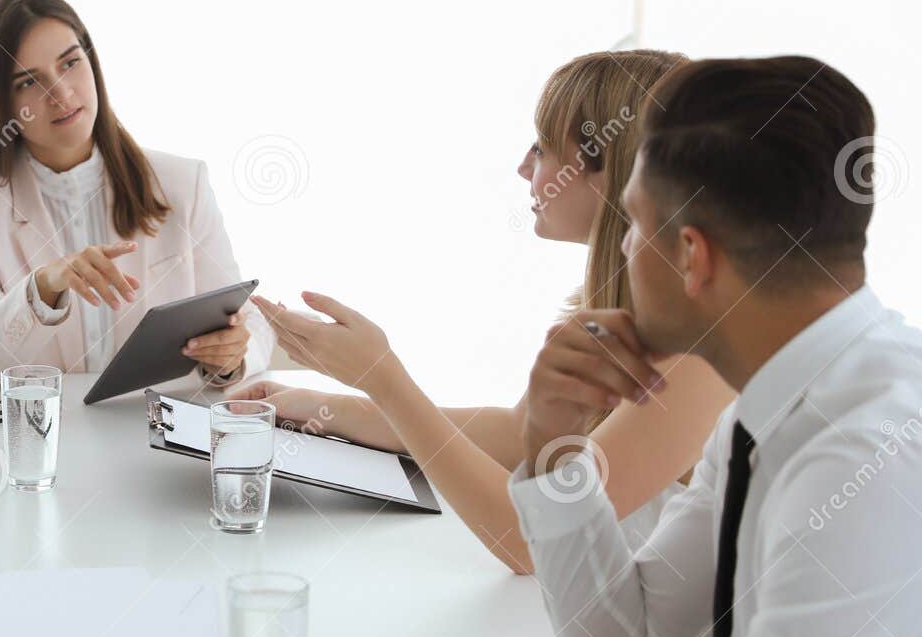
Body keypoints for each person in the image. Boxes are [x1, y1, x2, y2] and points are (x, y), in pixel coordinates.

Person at [518, 56, 922, 637]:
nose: (623, 249)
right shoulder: (769, 409)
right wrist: (552, 453)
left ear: (690, 255)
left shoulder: (871, 460)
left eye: (633, 223)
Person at [239, 51, 734, 573]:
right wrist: (327, 409)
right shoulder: (625, 316)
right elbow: (517, 435)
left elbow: (533, 543)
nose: (524, 167)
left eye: (542, 148)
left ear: (612, 173)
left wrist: (381, 378)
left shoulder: (701, 354)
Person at [0, 0, 272, 391]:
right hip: (49, 441)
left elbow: (249, 323)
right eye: (28, 82)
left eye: (70, 62)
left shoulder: (183, 183)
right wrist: (41, 290)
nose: (60, 92)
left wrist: (231, 360)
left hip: (158, 436)